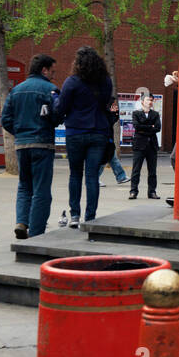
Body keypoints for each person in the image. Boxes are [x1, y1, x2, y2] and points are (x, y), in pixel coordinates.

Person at [53, 46, 116, 227]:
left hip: (76, 132)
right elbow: (107, 103)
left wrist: (55, 98)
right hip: (99, 132)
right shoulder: (106, 82)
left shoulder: (72, 82)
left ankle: (74, 216)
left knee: (75, 174)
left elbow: (61, 108)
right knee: (91, 176)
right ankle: (90, 217)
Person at [0, 54, 59, 238]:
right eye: (52, 71)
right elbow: (57, 115)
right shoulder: (51, 89)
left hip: (21, 144)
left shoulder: (16, 90)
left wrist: (19, 132)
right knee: (41, 189)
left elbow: (5, 119)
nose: (53, 75)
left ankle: (22, 221)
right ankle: (36, 231)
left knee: (24, 185)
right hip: (42, 144)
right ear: (44, 70)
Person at [128, 91, 161, 199]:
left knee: (152, 171)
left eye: (151, 100)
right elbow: (137, 127)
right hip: (139, 145)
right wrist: (150, 127)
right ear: (142, 102)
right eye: (148, 100)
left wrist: (145, 127)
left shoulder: (155, 114)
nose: (150, 102)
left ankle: (152, 192)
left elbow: (157, 128)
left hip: (152, 146)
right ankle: (133, 191)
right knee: (136, 170)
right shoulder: (136, 113)